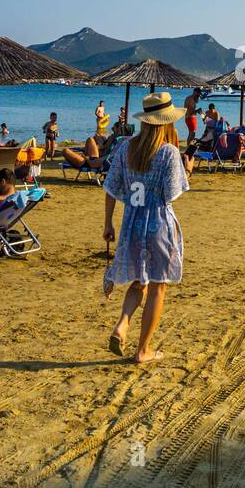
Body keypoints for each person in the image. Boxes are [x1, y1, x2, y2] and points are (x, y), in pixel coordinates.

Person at [102, 92, 195, 365]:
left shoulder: (126, 148)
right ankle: (143, 350)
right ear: (166, 122)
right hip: (158, 224)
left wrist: (108, 222)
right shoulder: (168, 152)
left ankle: (122, 324)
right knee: (157, 286)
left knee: (139, 281)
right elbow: (171, 193)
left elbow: (110, 187)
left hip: (131, 222)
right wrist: (187, 170)